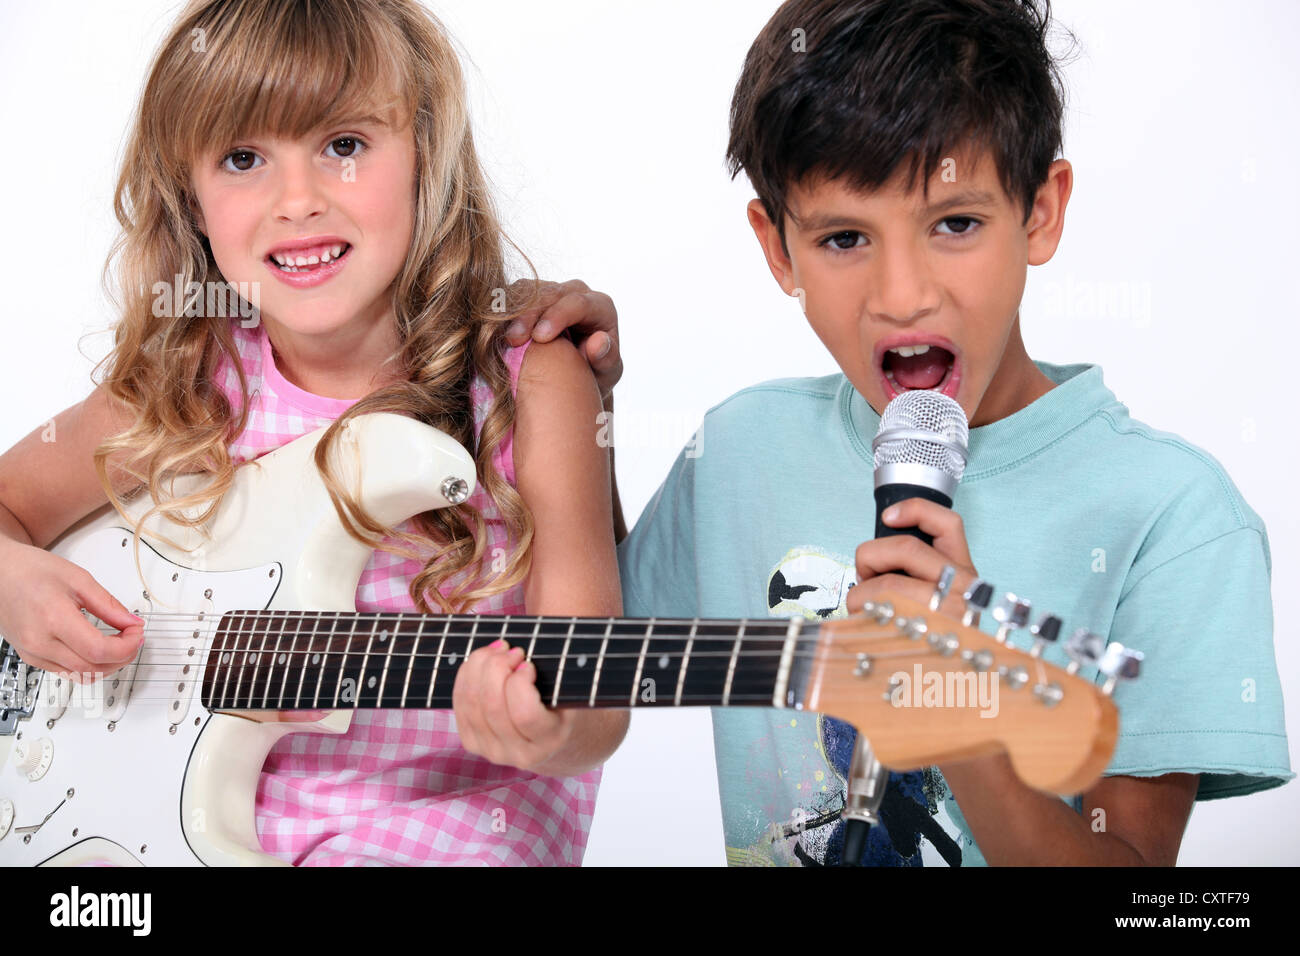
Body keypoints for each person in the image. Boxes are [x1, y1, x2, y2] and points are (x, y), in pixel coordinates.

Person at [616, 0, 1292, 865]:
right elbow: (581, 650)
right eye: (845, 236)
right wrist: (567, 398)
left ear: (1041, 211)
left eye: (956, 223)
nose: (904, 294)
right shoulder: (739, 452)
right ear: (777, 248)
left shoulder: (1172, 515)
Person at [0, 0, 627, 866]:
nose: (298, 201)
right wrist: (12, 578)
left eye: (344, 145)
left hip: (446, 825)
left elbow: (598, 696)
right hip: (192, 831)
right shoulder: (197, 386)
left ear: (426, 156)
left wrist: (547, 728)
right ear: (191, 197)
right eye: (244, 158)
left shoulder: (530, 381)